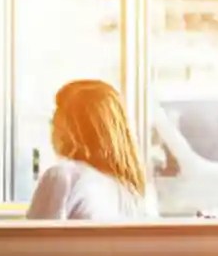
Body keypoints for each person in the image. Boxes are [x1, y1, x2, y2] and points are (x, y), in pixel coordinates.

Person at [26, 80, 158, 220]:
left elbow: (30, 241)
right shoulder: (141, 193)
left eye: (56, 115)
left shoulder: (63, 177)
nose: (52, 124)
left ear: (70, 128)